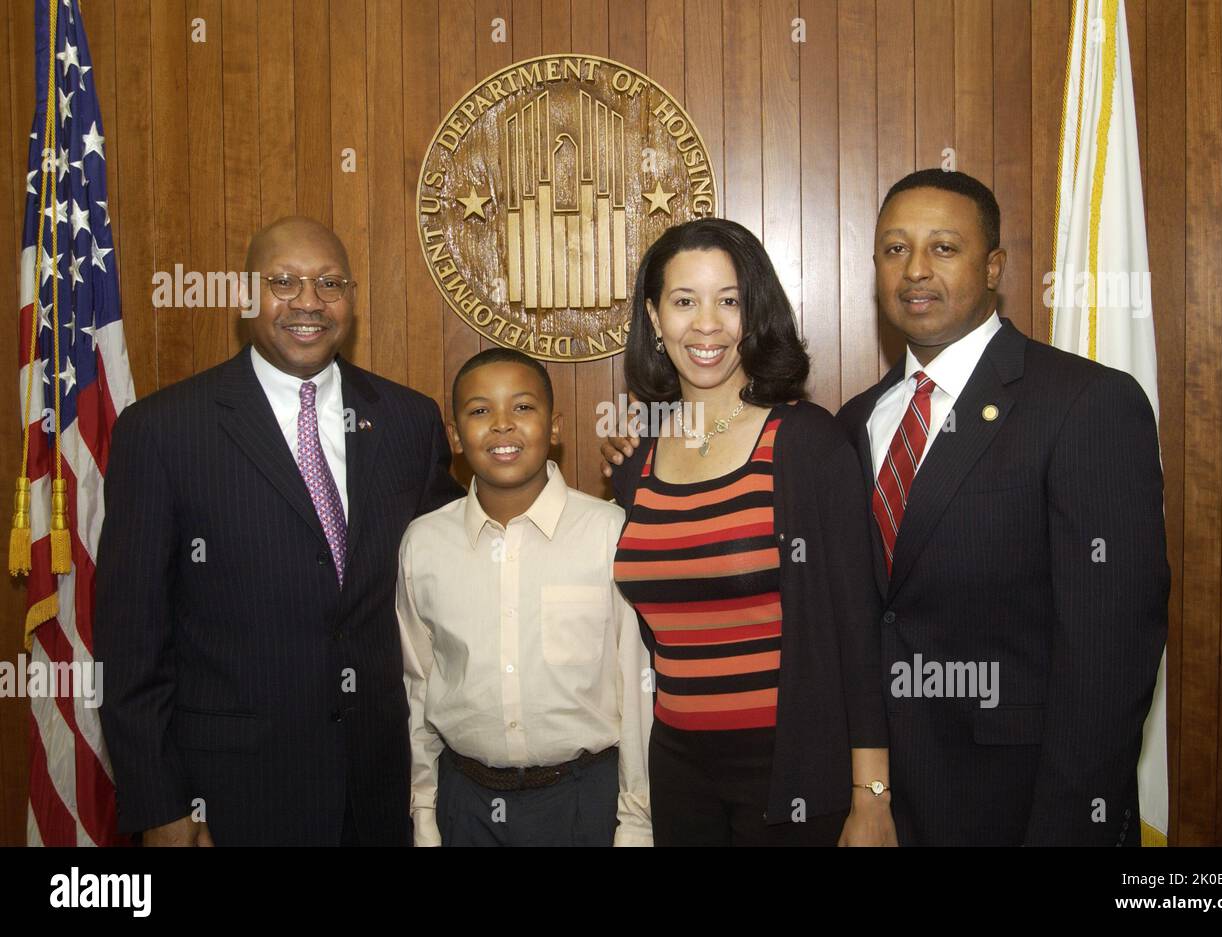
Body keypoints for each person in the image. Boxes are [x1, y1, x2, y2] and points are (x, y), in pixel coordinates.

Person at [96, 216, 462, 846]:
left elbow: (461, 557)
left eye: (330, 283)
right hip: (232, 800)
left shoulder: (407, 421)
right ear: (244, 297)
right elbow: (131, 644)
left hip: (382, 797)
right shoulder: (162, 431)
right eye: (283, 282)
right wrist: (162, 806)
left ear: (352, 298)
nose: (309, 303)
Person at [834, 169, 1168, 844]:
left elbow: (1109, 659)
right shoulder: (856, 421)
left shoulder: (1086, 404)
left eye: (944, 248)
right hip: (883, 813)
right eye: (895, 249)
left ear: (993, 267)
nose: (916, 270)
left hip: (1023, 811)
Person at [608, 218, 896, 846]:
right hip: (679, 769)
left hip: (790, 768)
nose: (706, 324)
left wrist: (871, 797)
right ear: (655, 319)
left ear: (755, 314)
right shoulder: (636, 462)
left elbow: (857, 626)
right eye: (684, 301)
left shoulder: (805, 443)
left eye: (729, 301)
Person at [396, 348, 653, 846]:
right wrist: (425, 810)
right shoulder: (423, 544)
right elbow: (418, 685)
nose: (501, 426)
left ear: (554, 427)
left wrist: (637, 823)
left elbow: (638, 691)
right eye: (479, 411)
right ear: (454, 436)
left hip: (584, 799)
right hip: (464, 802)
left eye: (522, 407)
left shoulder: (609, 534)